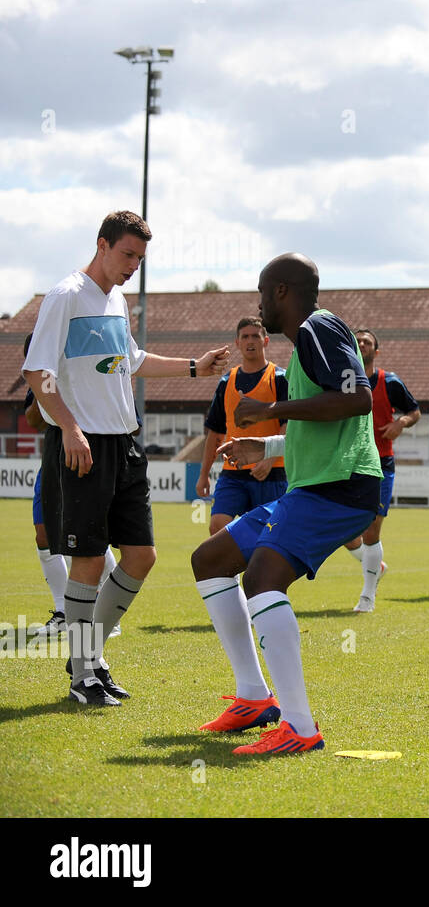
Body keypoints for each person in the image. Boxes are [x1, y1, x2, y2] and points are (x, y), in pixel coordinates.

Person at [22, 210, 229, 706]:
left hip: (125, 442)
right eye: (127, 254)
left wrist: (194, 369)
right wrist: (69, 428)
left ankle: (87, 658)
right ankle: (83, 675)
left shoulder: (117, 300)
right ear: (102, 244)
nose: (133, 265)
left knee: (141, 557)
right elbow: (38, 373)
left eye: (140, 257)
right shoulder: (65, 296)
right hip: (83, 443)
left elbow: (131, 361)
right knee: (90, 560)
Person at [188, 253, 381, 754]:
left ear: (280, 292)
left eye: (260, 291)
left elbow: (358, 399)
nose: (257, 303)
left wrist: (271, 410)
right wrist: (269, 446)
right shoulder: (308, 343)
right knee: (211, 559)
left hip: (340, 487)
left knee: (262, 576)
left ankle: (299, 727)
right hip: (314, 485)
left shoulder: (317, 329)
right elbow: (328, 419)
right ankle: (254, 697)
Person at [22, 333, 119, 640]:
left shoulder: (82, 363)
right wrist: (42, 383)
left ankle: (107, 613)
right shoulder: (40, 369)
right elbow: (34, 421)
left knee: (90, 535)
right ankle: (62, 612)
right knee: (43, 533)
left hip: (86, 458)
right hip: (51, 461)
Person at [339, 328, 420, 613]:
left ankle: (367, 596)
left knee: (372, 529)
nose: (362, 344)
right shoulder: (341, 381)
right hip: (347, 462)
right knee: (345, 532)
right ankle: (376, 566)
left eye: (367, 341)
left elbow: (415, 410)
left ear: (376, 349)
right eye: (358, 340)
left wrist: (401, 423)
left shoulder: (390, 381)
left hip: (380, 463)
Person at [195, 317, 289, 536]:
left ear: (265, 341)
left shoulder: (280, 378)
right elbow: (215, 432)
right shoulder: (226, 381)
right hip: (233, 472)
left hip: (271, 472)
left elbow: (289, 425)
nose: (250, 341)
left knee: (268, 535)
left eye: (255, 336)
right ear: (237, 343)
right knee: (217, 526)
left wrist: (269, 459)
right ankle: (230, 572)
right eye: (245, 336)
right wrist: (204, 474)